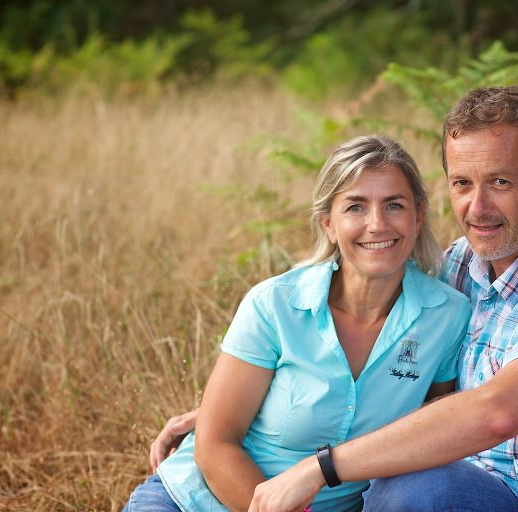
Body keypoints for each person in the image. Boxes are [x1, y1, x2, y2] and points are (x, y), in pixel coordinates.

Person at [151, 86, 518, 512]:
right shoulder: (463, 265)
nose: (477, 207)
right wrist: (238, 411)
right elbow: (406, 386)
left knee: (405, 493)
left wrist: (322, 467)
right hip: (432, 470)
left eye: (500, 182)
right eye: (463, 184)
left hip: (512, 496)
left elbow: (495, 412)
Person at [123, 134, 471, 512]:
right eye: (355, 207)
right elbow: (214, 444)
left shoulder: (447, 317)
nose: (377, 224)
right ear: (328, 225)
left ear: (418, 217)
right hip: (199, 499)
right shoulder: (274, 304)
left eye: (394, 205)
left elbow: (432, 429)